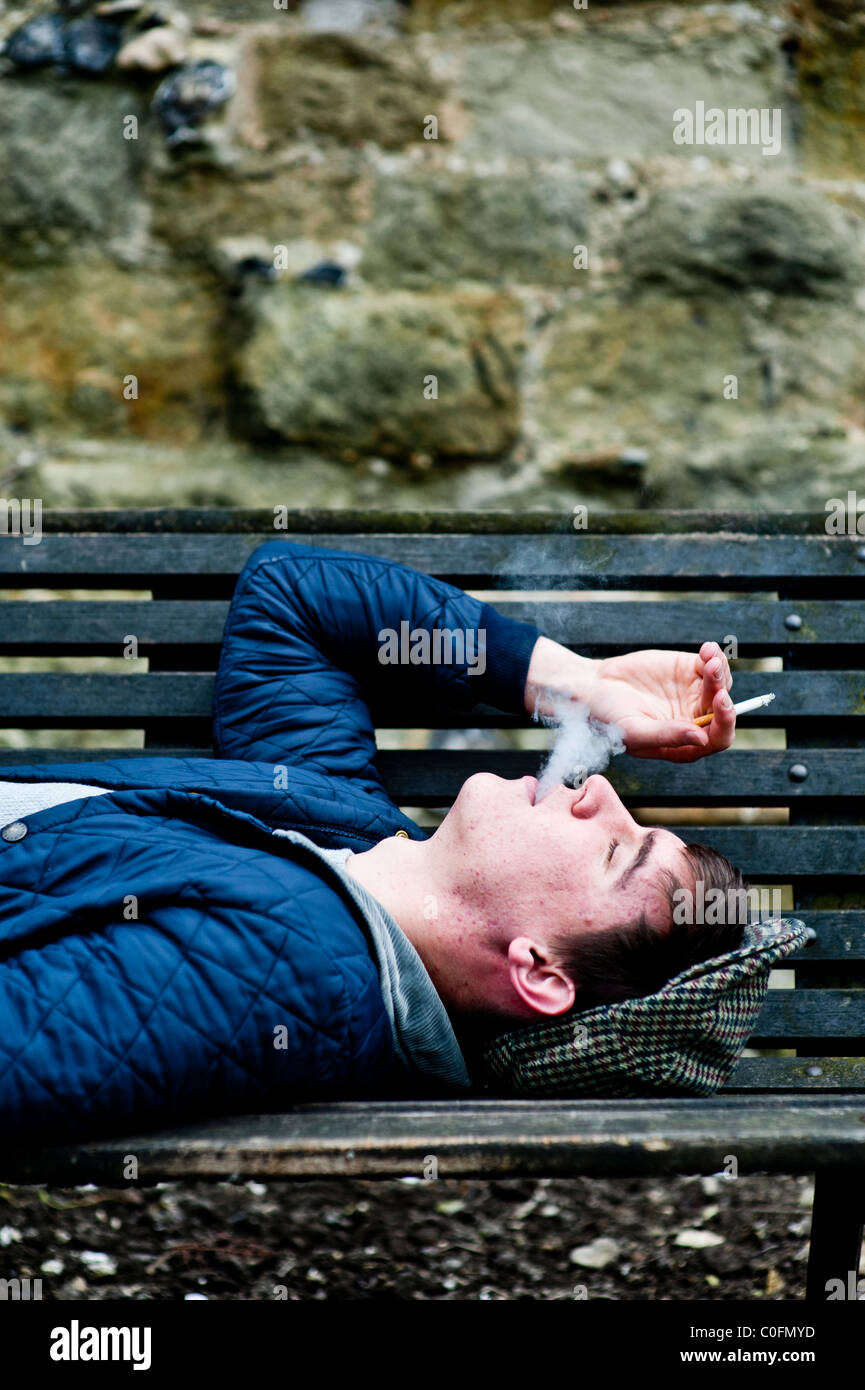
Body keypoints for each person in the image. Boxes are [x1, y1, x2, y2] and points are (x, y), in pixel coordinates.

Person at [0, 541, 742, 1142]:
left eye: (617, 852)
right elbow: (292, 598)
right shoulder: (350, 829)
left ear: (540, 971)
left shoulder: (292, 969)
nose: (605, 793)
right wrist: (577, 682)